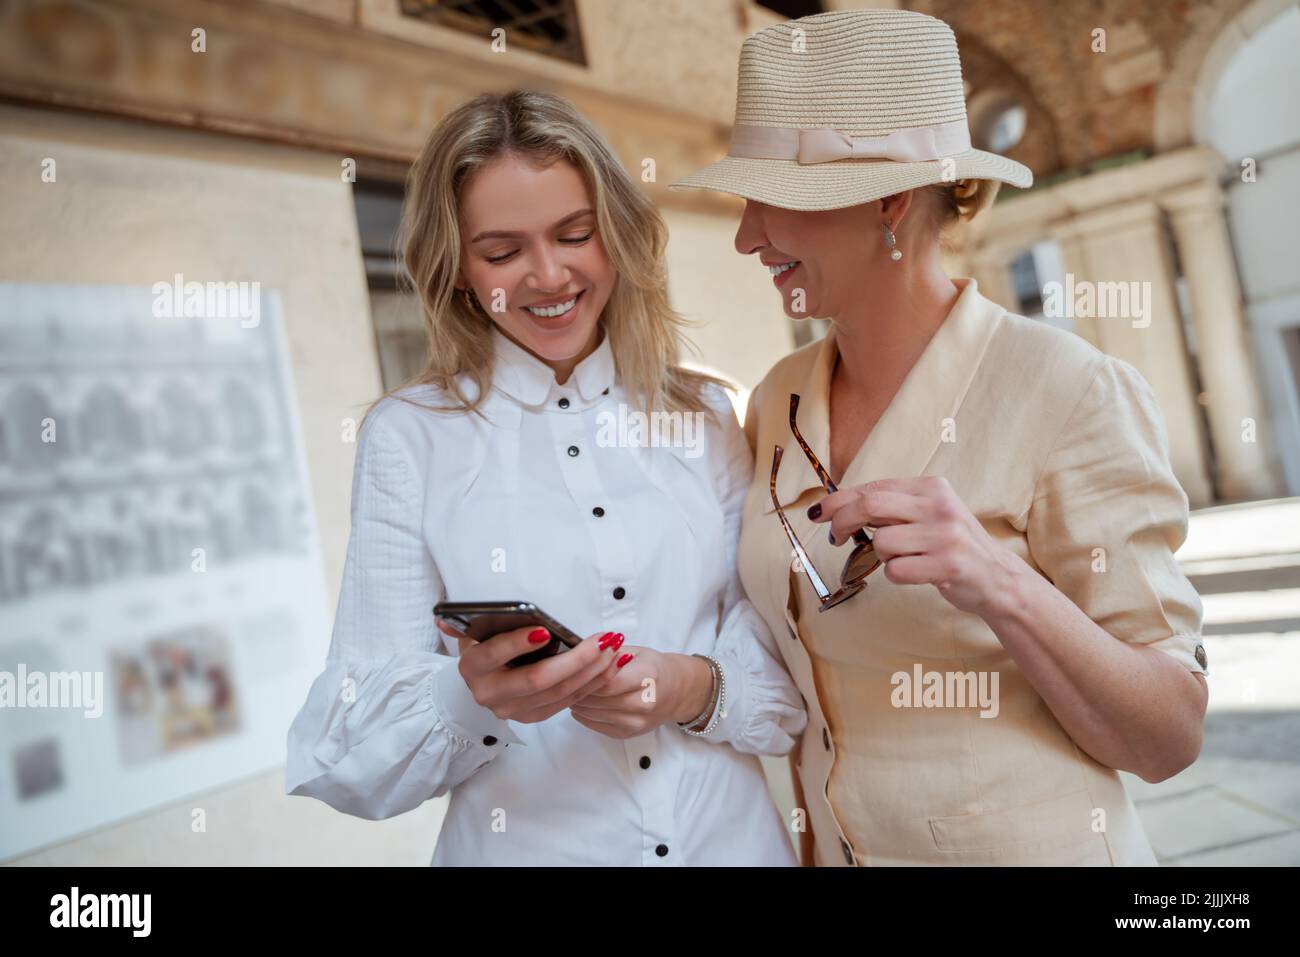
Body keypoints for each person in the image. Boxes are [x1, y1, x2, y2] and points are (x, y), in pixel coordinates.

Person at [672, 8, 1209, 866]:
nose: (744, 236)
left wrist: (1001, 580)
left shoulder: (1068, 390)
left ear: (886, 199)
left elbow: (1169, 736)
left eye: (769, 198)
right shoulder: (774, 399)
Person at [285, 90, 806, 866]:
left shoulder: (705, 414)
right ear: (457, 268)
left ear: (619, 237)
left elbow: (788, 666)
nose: (548, 274)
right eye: (501, 252)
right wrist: (472, 696)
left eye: (574, 234)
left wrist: (690, 688)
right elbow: (349, 753)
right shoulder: (409, 439)